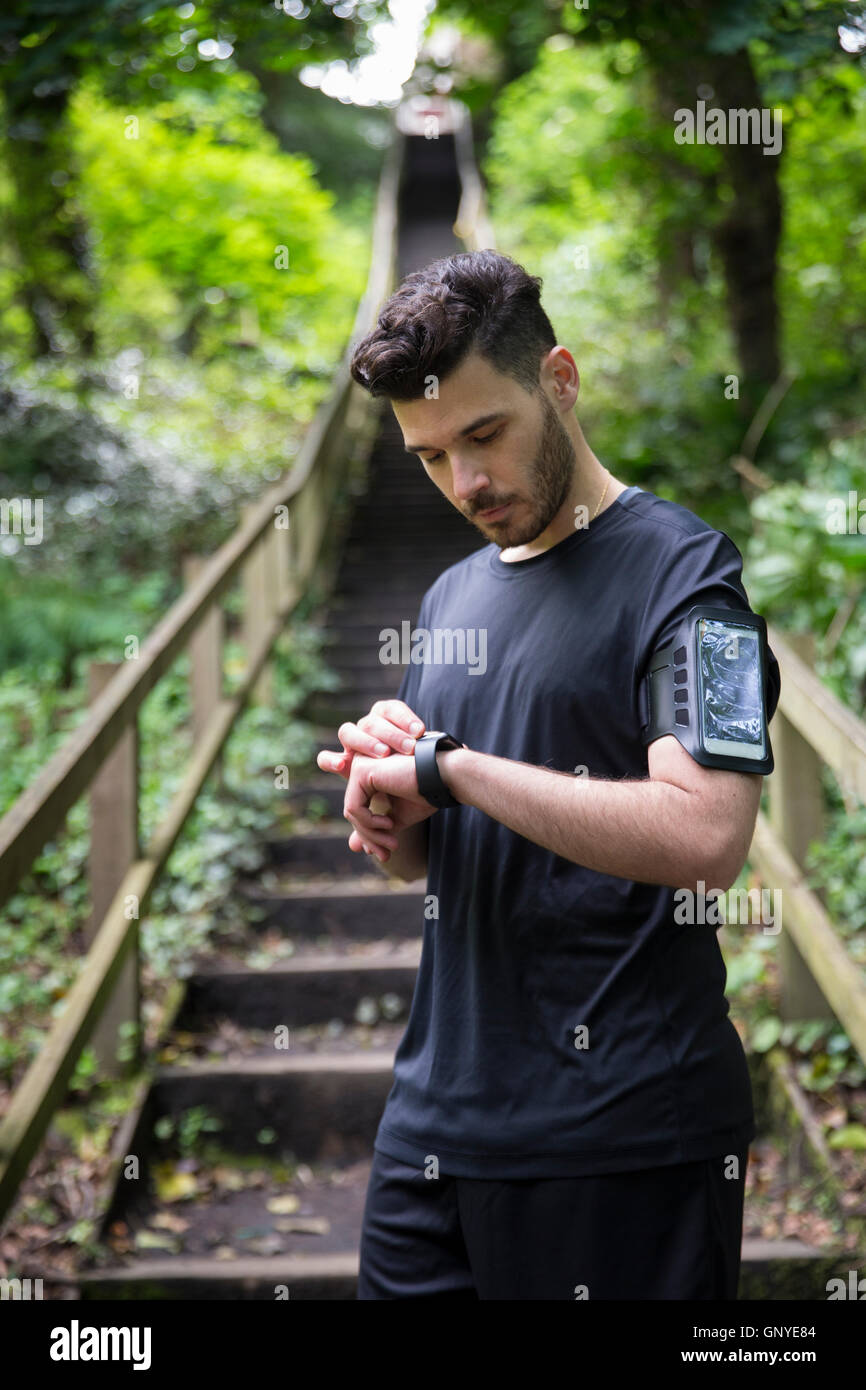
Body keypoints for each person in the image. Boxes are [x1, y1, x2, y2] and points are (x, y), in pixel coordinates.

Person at [316, 249, 781, 1300]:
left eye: (484, 434)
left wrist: (455, 767)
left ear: (557, 381)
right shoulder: (446, 599)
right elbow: (437, 852)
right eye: (429, 456)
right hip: (431, 1128)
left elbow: (705, 836)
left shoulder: (687, 579)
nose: (464, 482)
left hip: (621, 1137)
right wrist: (397, 815)